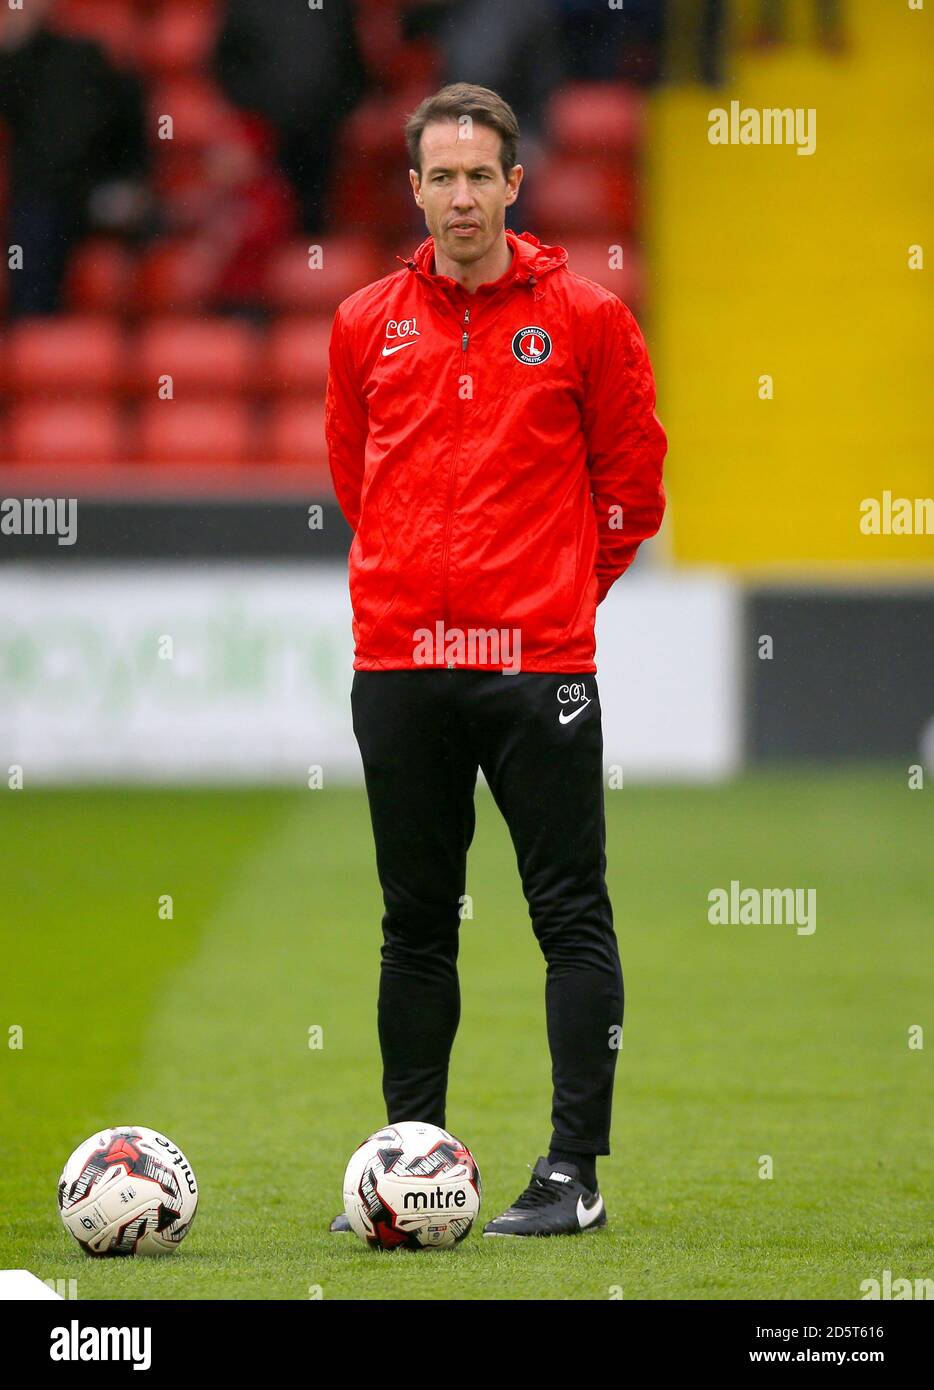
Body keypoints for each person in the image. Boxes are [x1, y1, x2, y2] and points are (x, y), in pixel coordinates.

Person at [325, 83, 667, 1237]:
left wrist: (557, 598)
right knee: (412, 921)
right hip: (401, 666)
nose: (461, 195)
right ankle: (403, 1160)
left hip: (535, 667)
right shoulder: (364, 321)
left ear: (514, 185)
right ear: (413, 187)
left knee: (568, 914)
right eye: (442, 176)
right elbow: (354, 482)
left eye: (482, 175)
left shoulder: (588, 319)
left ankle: (572, 1174)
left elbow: (633, 491)